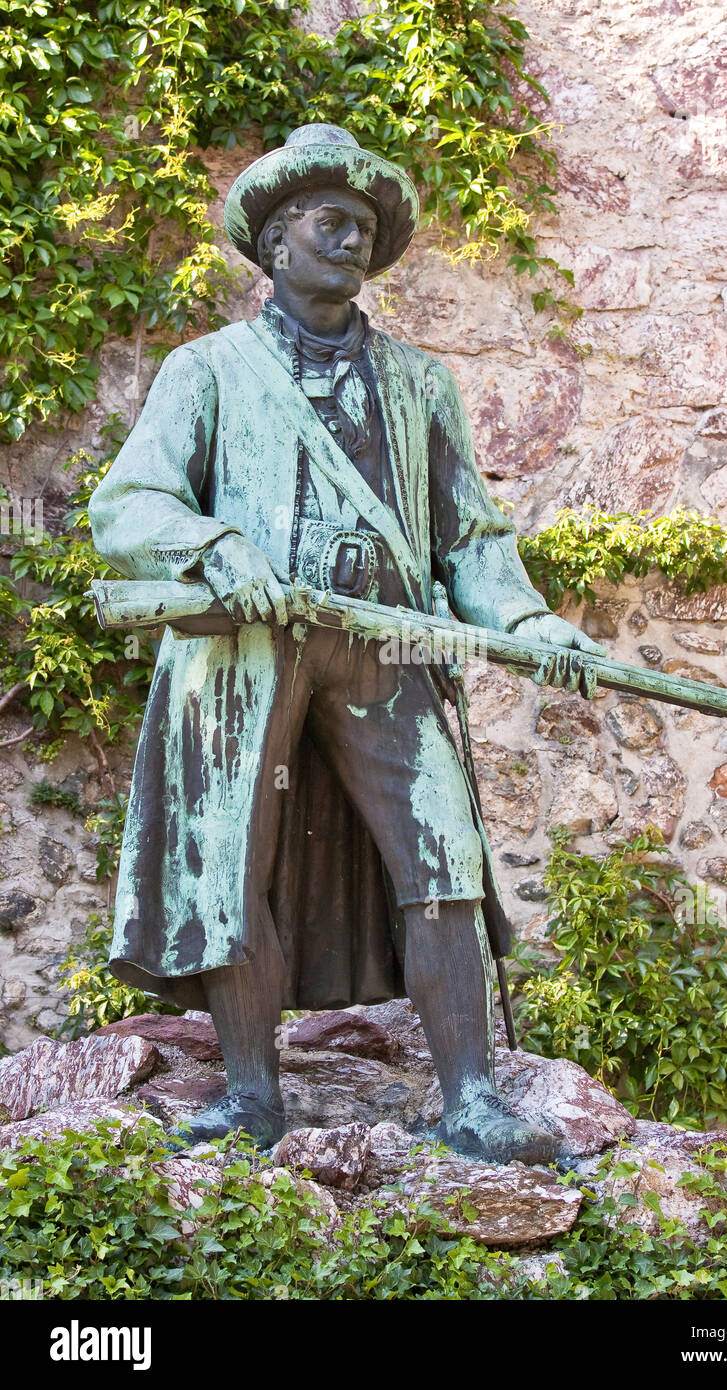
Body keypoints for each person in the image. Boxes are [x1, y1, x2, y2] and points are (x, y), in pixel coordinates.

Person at [89, 124, 603, 1163]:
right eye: (331, 223)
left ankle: (467, 1098)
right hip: (242, 653)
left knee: (443, 850)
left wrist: (526, 617)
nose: (352, 241)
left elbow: (470, 535)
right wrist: (213, 540)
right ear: (276, 244)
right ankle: (248, 1095)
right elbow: (128, 505)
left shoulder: (419, 383)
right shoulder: (207, 371)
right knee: (232, 859)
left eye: (365, 227)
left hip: (387, 647)